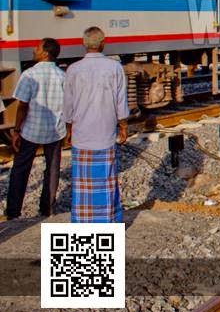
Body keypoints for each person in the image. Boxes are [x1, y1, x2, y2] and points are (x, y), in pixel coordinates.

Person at [62, 27, 129, 222]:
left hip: (82, 135)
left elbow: (68, 105)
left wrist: (68, 129)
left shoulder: (73, 69)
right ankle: (107, 221)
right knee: (107, 180)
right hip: (106, 134)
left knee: (82, 183)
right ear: (103, 43)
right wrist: (123, 126)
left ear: (84, 44)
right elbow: (120, 102)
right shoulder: (114, 67)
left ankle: (83, 221)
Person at [5, 39, 65, 221]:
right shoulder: (63, 76)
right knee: (52, 169)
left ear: (45, 53)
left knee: (20, 169)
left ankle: (13, 212)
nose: (34, 50)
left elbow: (22, 106)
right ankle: (47, 209)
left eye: (37, 48)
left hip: (31, 129)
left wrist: (16, 130)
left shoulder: (30, 74)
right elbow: (68, 106)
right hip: (55, 130)